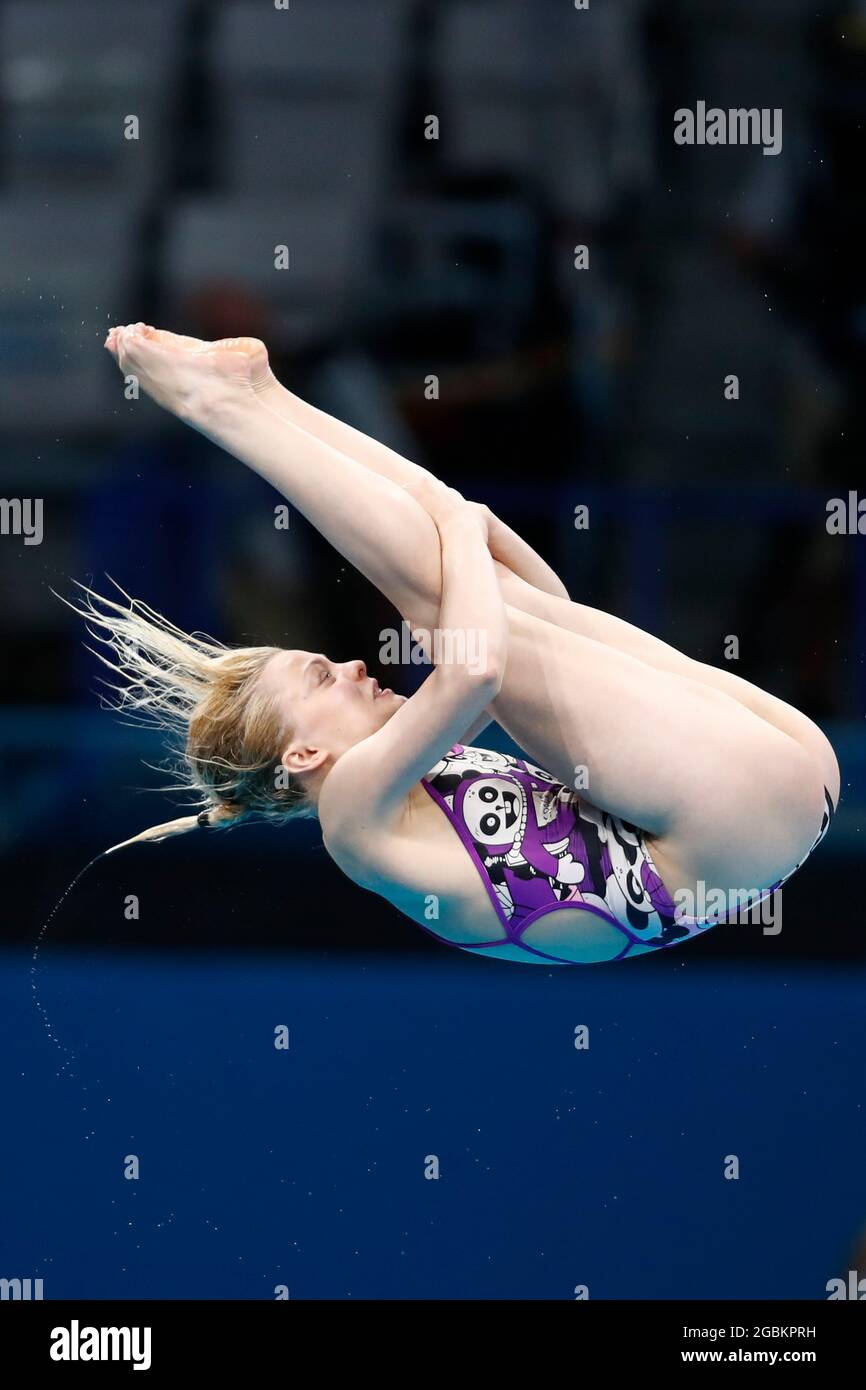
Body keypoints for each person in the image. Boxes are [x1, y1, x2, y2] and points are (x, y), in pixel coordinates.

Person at [69, 324, 838, 965]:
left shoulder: (415, 778)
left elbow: (541, 611)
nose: (350, 664)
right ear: (302, 756)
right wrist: (462, 527)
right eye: (320, 678)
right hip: (733, 821)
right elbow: (474, 664)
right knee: (442, 596)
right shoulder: (354, 819)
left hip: (769, 796)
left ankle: (261, 396)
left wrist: (470, 525)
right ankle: (229, 406)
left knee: (461, 580)